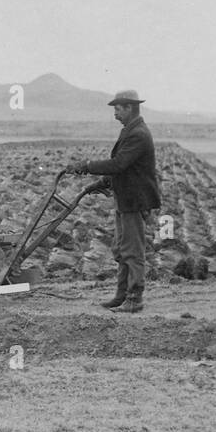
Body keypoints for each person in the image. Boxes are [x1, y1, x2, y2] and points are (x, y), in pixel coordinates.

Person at [67, 90, 161, 313]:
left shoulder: (138, 134)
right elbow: (123, 168)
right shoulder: (129, 131)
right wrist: (100, 183)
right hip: (125, 198)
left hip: (134, 201)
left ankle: (135, 298)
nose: (115, 113)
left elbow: (119, 163)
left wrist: (87, 165)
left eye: (118, 108)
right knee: (121, 249)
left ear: (129, 107)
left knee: (132, 251)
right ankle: (122, 294)